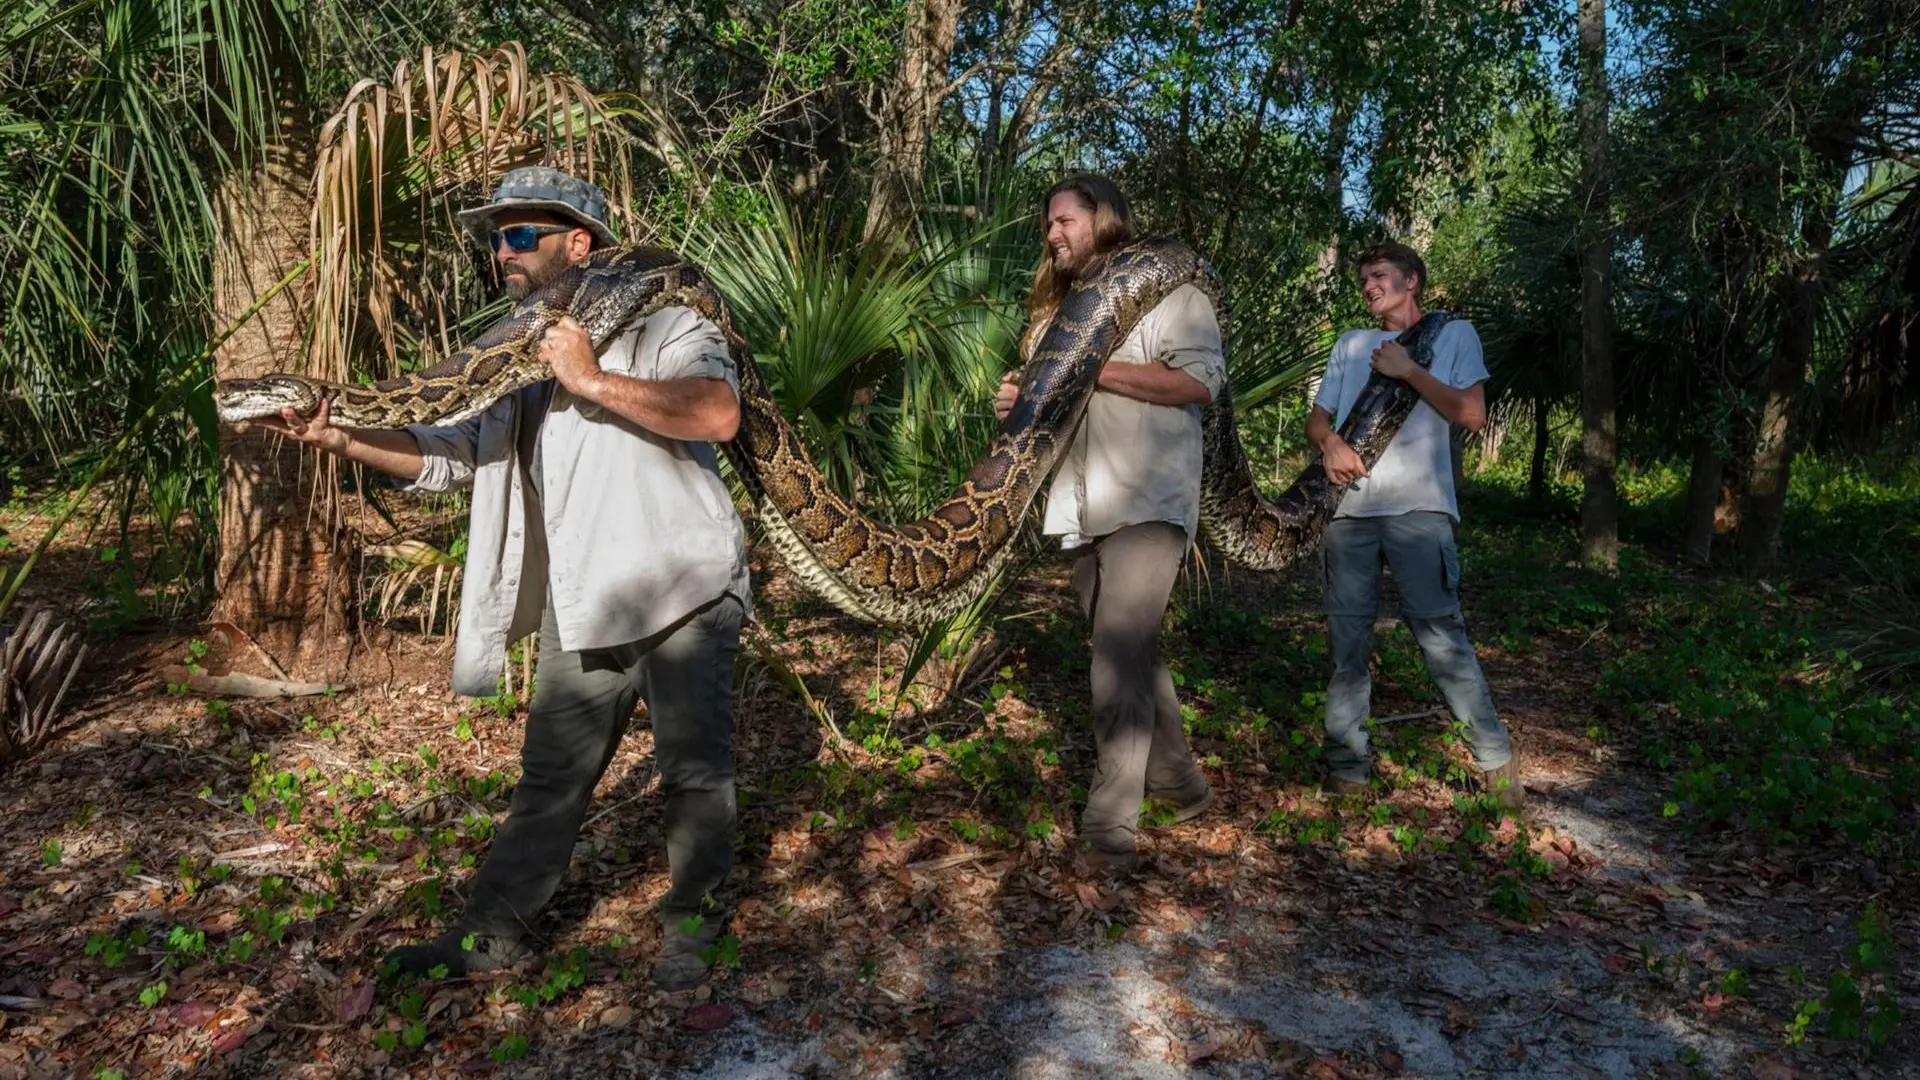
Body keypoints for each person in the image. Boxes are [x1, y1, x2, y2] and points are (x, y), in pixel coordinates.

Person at [235, 166, 752, 988]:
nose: (500, 253)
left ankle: (694, 927)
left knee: (693, 772)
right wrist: (340, 438)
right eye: (493, 239)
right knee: (550, 779)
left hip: (679, 580)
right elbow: (446, 457)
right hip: (582, 596)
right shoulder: (510, 357)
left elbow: (718, 413)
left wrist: (589, 378)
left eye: (519, 235)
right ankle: (492, 936)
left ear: (579, 244)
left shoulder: (665, 321)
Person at [993, 174, 1220, 871]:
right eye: (1048, 223)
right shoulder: (1056, 314)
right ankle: (1180, 784)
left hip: (1150, 498)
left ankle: (1109, 824)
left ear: (1104, 219)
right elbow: (1048, 401)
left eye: (1065, 219)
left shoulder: (1172, 295)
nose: (1052, 233)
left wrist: (1092, 369)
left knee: (1115, 652)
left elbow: (1198, 384)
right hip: (1082, 503)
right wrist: (1019, 400)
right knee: (1128, 649)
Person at [1305, 241, 1520, 807]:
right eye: (1364, 279)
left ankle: (1497, 766)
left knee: (1441, 640)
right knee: (1347, 647)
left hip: (1419, 511)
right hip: (1347, 512)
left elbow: (1471, 416)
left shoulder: (1453, 335)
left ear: (1412, 281)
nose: (1370, 286)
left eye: (1380, 275)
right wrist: (1328, 444)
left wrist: (1409, 370)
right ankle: (1347, 771)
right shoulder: (1350, 344)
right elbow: (1318, 417)